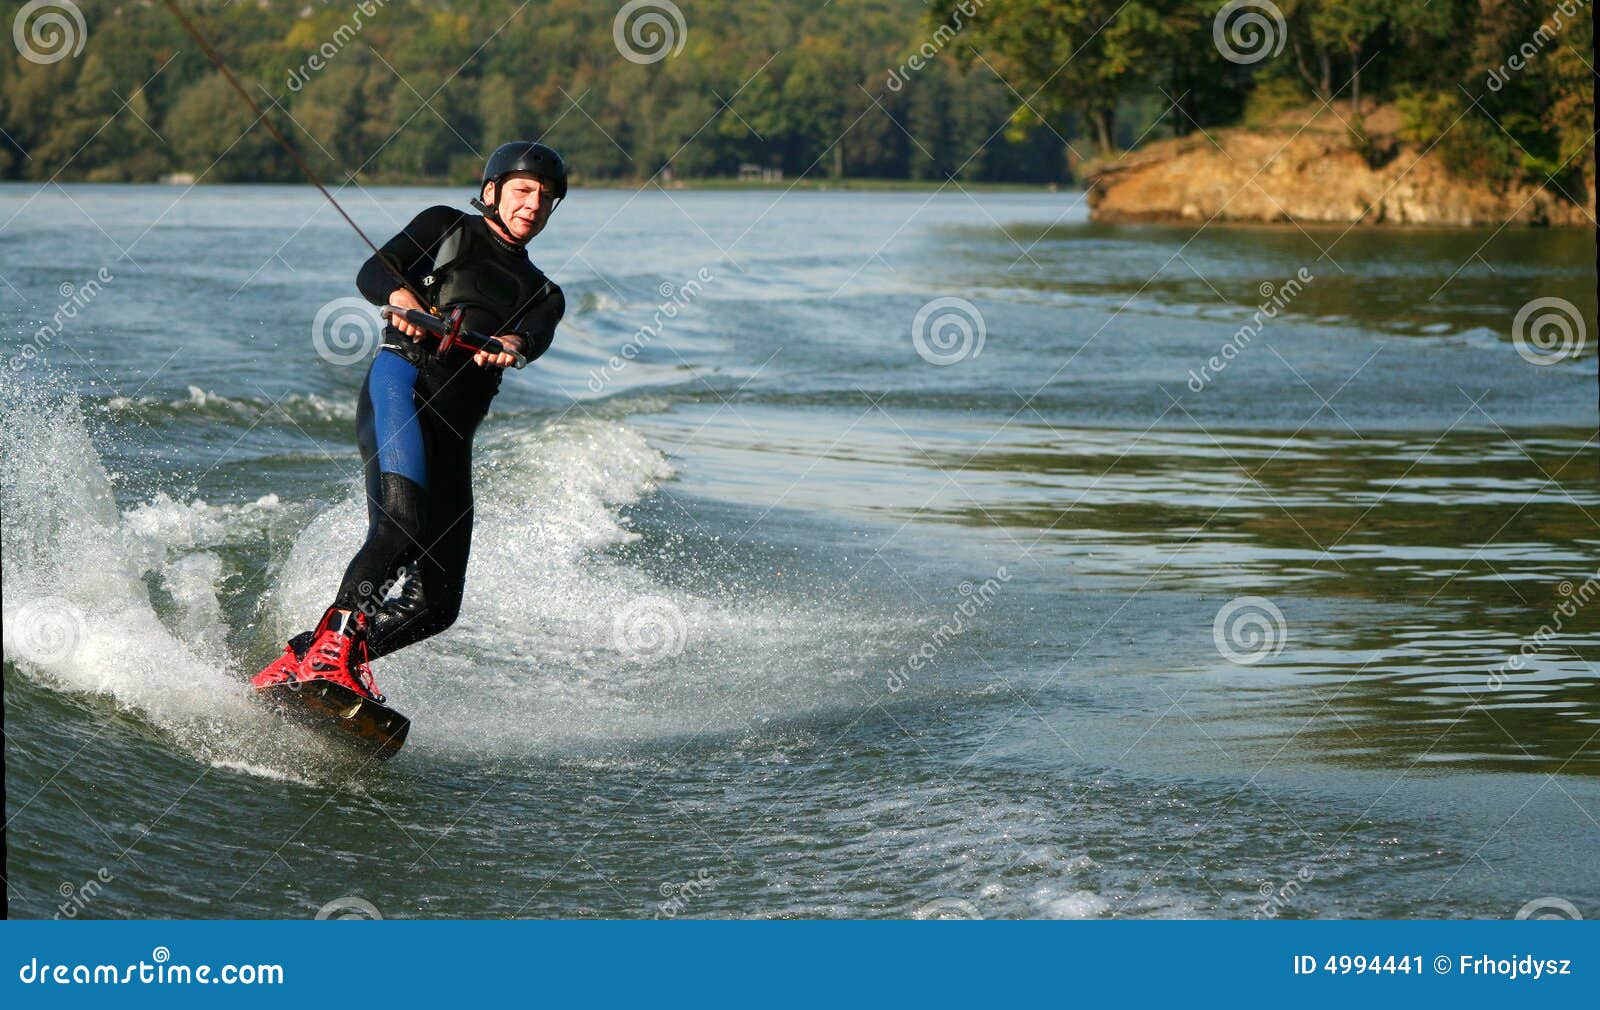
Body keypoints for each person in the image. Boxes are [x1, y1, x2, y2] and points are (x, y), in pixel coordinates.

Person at [251, 141, 568, 702]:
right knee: (400, 523)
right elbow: (375, 270)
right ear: (493, 192)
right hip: (403, 386)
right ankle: (331, 654)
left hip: (455, 432)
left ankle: (314, 655)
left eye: (545, 198)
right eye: (522, 190)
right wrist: (402, 298)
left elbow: (531, 337)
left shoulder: (544, 293)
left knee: (436, 604)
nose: (532, 205)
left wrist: (509, 342)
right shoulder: (445, 227)